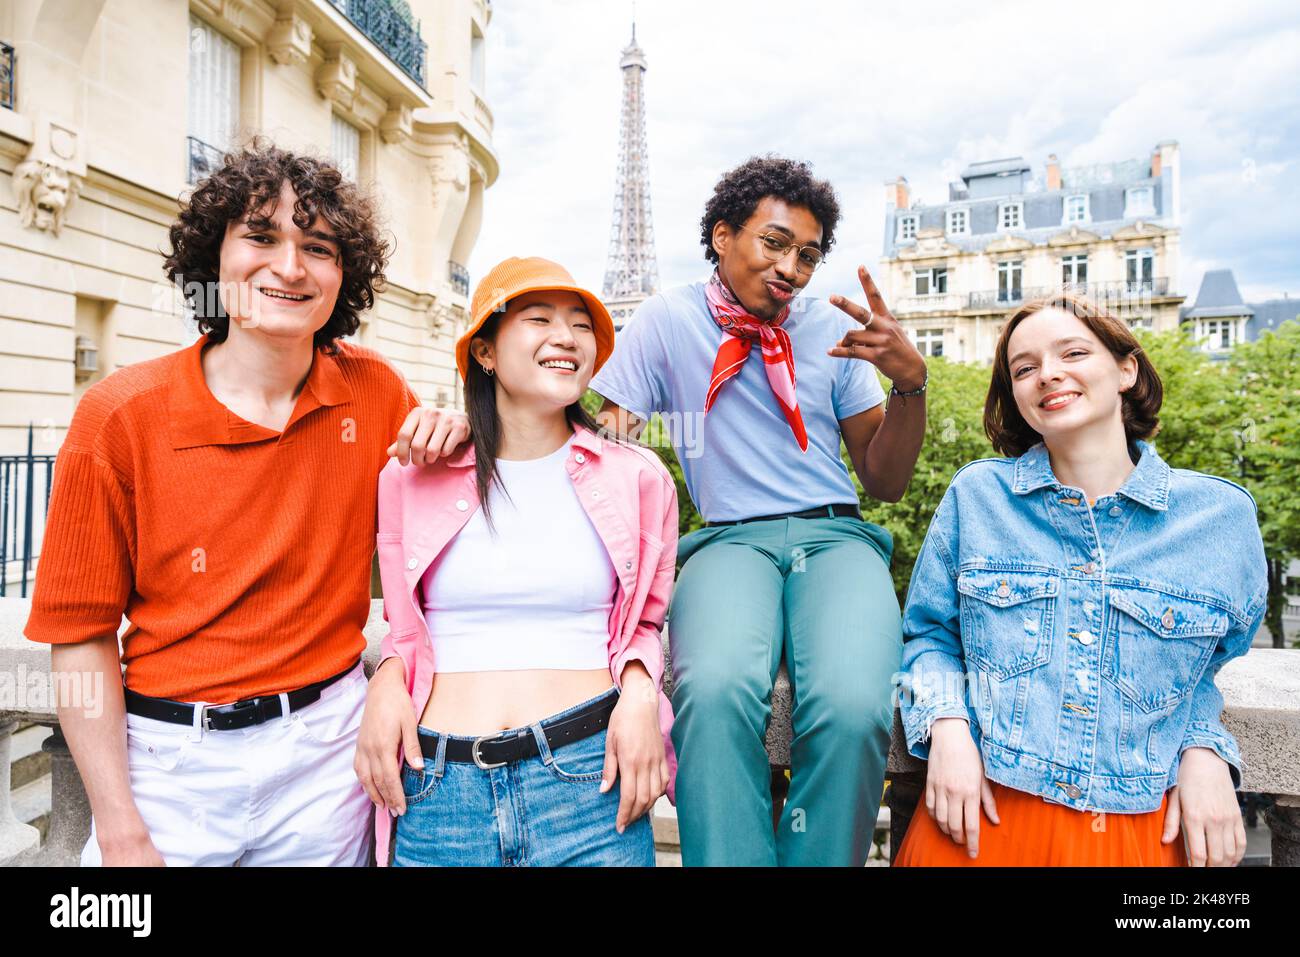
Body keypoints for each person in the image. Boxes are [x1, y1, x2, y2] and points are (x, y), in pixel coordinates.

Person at [24, 142, 451, 866]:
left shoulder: (377, 393)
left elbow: (440, 564)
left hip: (327, 760)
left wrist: (461, 433)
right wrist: (118, 822)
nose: (289, 266)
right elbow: (81, 639)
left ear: (342, 275)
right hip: (165, 769)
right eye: (261, 236)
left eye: (317, 246)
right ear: (213, 257)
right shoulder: (116, 416)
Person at [587, 155, 929, 866]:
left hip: (835, 536)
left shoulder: (831, 331)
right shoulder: (665, 319)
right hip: (726, 544)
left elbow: (886, 480)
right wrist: (483, 429)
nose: (792, 268)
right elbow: (600, 440)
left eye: (807, 254)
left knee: (853, 707)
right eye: (774, 243)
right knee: (709, 697)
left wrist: (910, 387)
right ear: (722, 236)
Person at [894, 294, 1267, 867]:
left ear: (1125, 369)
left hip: (1135, 835)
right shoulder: (977, 497)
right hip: (978, 823)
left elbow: (1206, 670)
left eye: (1072, 351)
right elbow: (929, 637)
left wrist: (1204, 746)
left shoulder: (1219, 518)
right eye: (1024, 368)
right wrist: (946, 727)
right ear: (1016, 396)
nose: (1048, 374)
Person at [355, 256, 678, 867]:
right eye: (538, 319)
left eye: (581, 325)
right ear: (484, 352)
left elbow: (643, 626)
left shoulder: (640, 479)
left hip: (589, 782)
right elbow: (405, 631)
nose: (566, 337)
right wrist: (385, 681)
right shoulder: (409, 478)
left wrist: (639, 693)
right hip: (436, 788)